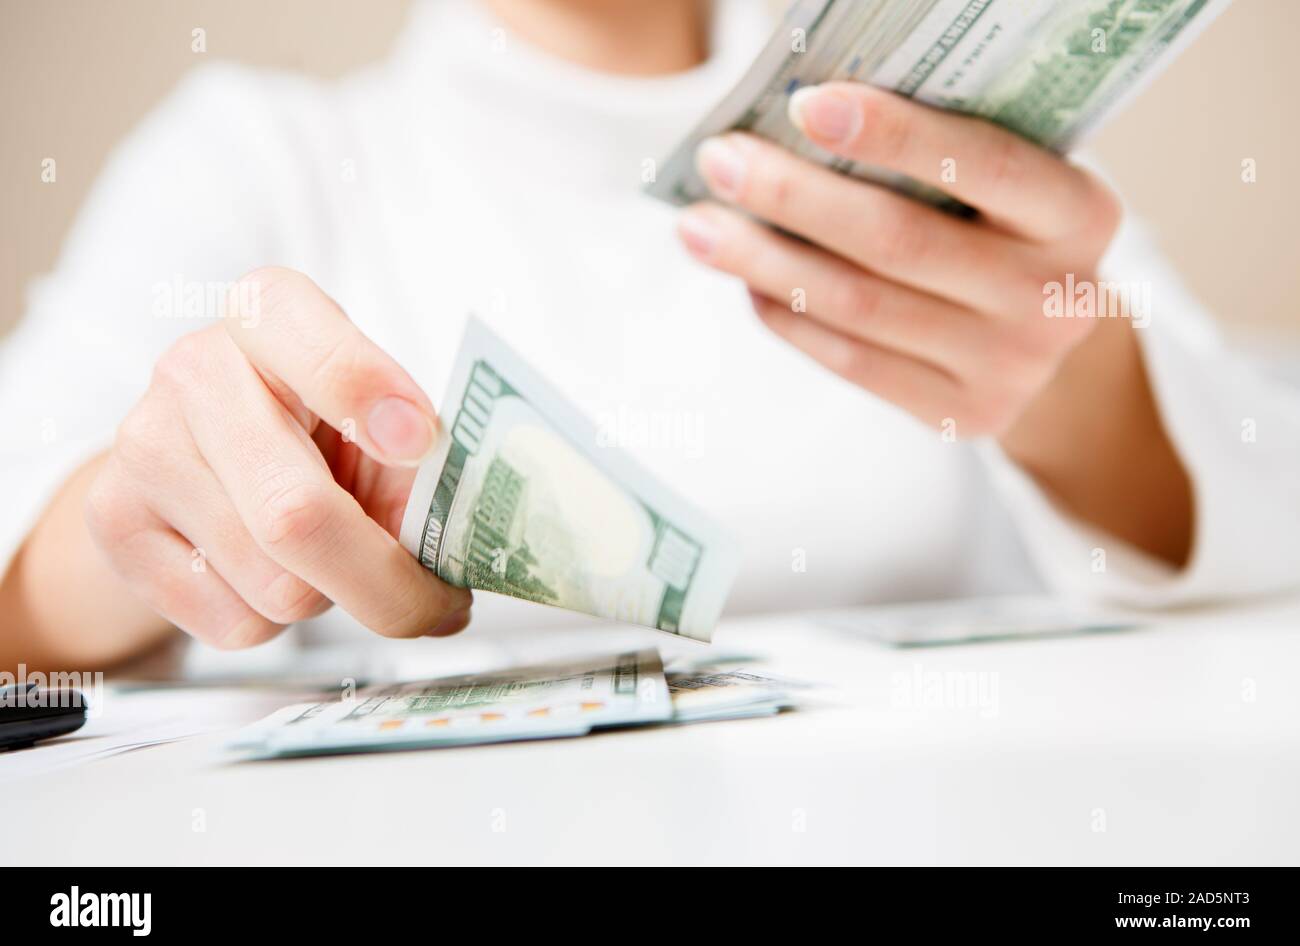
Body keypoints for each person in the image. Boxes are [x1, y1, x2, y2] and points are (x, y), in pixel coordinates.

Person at [2, 0, 1298, 673]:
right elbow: (23, 578)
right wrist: (133, 534)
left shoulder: (928, 122)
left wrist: (1072, 387)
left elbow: (1264, 502)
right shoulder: (260, 156)